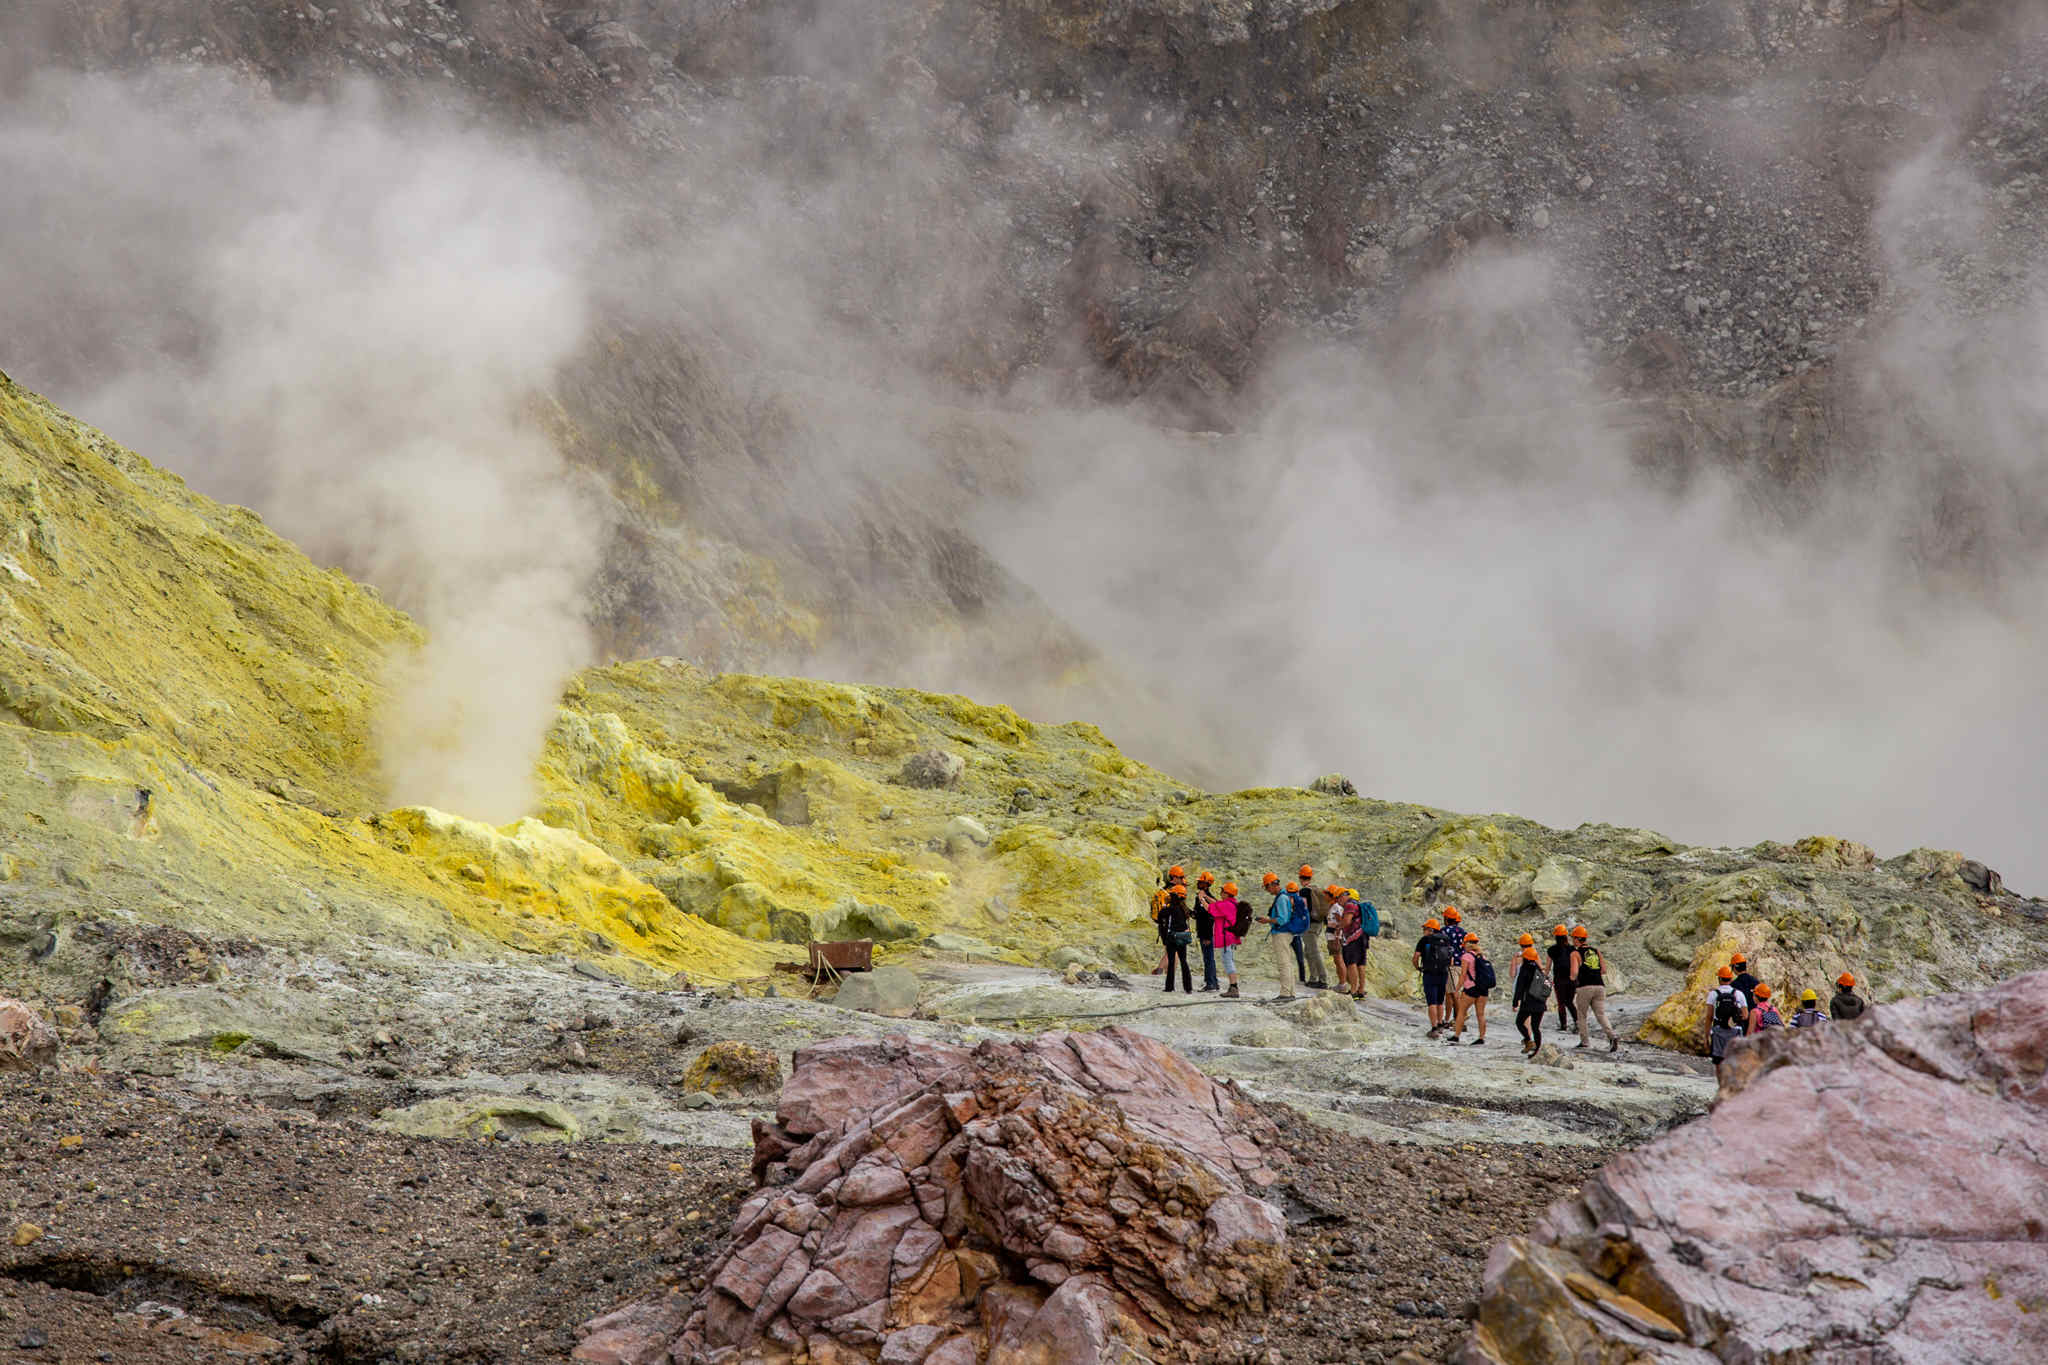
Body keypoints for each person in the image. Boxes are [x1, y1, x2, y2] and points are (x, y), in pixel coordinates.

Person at [1572, 926, 1617, 1052]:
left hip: (1584, 987)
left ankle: (1585, 1042)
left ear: (1577, 939)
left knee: (1581, 1015)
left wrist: (1572, 979)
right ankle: (1612, 1036)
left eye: (1573, 938)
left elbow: (1574, 973)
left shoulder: (1575, 953)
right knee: (1601, 1014)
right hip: (1599, 986)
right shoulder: (1596, 951)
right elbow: (1603, 970)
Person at [1257, 874, 1299, 1002]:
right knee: (1287, 963)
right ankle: (1291, 992)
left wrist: (1267, 920)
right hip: (1286, 933)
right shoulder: (1285, 896)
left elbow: (1282, 919)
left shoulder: (1281, 898)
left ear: (1271, 884)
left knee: (1283, 964)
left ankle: (1285, 993)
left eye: (1266, 887)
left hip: (1281, 934)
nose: (1267, 890)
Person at [1451, 932, 1491, 1045]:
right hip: (1483, 988)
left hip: (1470, 988)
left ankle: (1456, 1036)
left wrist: (1457, 988)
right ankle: (1481, 1037)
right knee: (1481, 1014)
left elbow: (1463, 975)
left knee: (1461, 1013)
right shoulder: (1482, 955)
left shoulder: (1466, 956)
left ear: (1467, 943)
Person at [1414, 917, 1452, 1034]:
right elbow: (1451, 960)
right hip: (1443, 973)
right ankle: (1440, 1023)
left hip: (1429, 973)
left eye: (1425, 928)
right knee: (1440, 1001)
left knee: (1431, 1002)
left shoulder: (1424, 940)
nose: (1423, 931)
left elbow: (1416, 957)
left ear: (1430, 929)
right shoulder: (1446, 940)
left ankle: (1434, 1027)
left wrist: (1418, 967)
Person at [1149, 866, 1189, 975]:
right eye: (1180, 877)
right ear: (1174, 877)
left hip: (1163, 926)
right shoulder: (1173, 893)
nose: (1182, 880)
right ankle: (1162, 970)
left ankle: (1166, 972)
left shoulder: (1164, 892)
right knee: (1174, 950)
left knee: (1170, 950)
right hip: (1171, 925)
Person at [1706, 966, 1748, 1069]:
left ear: (1719, 979)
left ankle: (1722, 1083)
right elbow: (1746, 1015)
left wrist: (1706, 1036)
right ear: (1731, 979)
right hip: (1735, 1031)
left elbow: (1709, 1017)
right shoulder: (1739, 994)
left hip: (1718, 1030)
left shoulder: (1713, 994)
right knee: (1734, 1061)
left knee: (1718, 1062)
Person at [1295, 866, 1329, 989]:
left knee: (1313, 951)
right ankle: (1313, 978)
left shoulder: (1304, 891)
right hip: (1319, 923)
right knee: (1309, 951)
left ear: (1300, 877)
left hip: (1309, 925)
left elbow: (1304, 909)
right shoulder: (1316, 889)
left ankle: (1322, 979)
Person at [1208, 881, 1244, 998]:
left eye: (1222, 891)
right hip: (1231, 937)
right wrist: (1206, 897)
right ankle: (1233, 987)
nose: (1220, 893)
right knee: (1229, 960)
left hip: (1226, 938)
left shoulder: (1226, 905)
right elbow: (1217, 904)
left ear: (1227, 893)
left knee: (1228, 962)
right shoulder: (1232, 904)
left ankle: (1234, 987)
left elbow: (1210, 908)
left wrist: (1202, 899)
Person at [1511, 945, 1548, 1056]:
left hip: (1528, 1003)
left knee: (1519, 1022)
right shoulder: (1538, 969)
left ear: (1525, 958)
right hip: (1540, 1003)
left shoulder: (1524, 969)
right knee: (1536, 1027)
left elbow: (1520, 987)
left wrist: (1515, 1001)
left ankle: (1528, 1040)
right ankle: (1537, 1051)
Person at [1158, 884, 1194, 994]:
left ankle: (1169, 987)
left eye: (1172, 894)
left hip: (1172, 938)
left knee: (1172, 961)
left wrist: (1165, 904)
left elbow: (1160, 916)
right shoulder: (1184, 908)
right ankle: (1188, 988)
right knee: (1184, 962)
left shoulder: (1171, 908)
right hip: (1182, 938)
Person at [1546, 925, 1580, 1033]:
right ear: (1566, 936)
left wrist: (1545, 976)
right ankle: (1577, 1022)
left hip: (1559, 979)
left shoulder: (1551, 950)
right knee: (1569, 1002)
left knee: (1561, 1003)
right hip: (1572, 979)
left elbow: (1547, 967)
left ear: (1555, 937)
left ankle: (1563, 1025)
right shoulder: (1572, 949)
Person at [1193, 871, 1221, 993]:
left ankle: (1211, 983)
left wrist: (1207, 935)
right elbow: (1197, 914)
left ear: (1206, 884)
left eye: (1200, 881)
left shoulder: (1208, 898)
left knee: (1208, 958)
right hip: (1203, 931)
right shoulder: (1198, 898)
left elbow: (1212, 914)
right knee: (1208, 958)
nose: (1198, 883)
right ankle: (1212, 982)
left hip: (1206, 932)